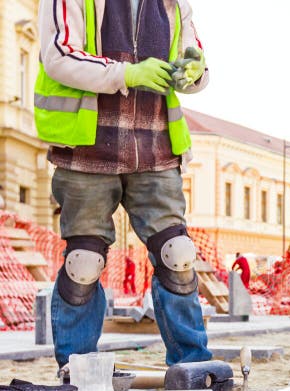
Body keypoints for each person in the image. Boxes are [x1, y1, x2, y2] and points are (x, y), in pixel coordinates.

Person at [37, 0, 212, 369]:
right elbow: (57, 54)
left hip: (155, 145)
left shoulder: (173, 4)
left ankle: (192, 366)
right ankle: (78, 373)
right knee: (83, 262)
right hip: (87, 145)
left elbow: (194, 61)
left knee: (176, 254)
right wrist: (127, 74)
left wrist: (194, 70)